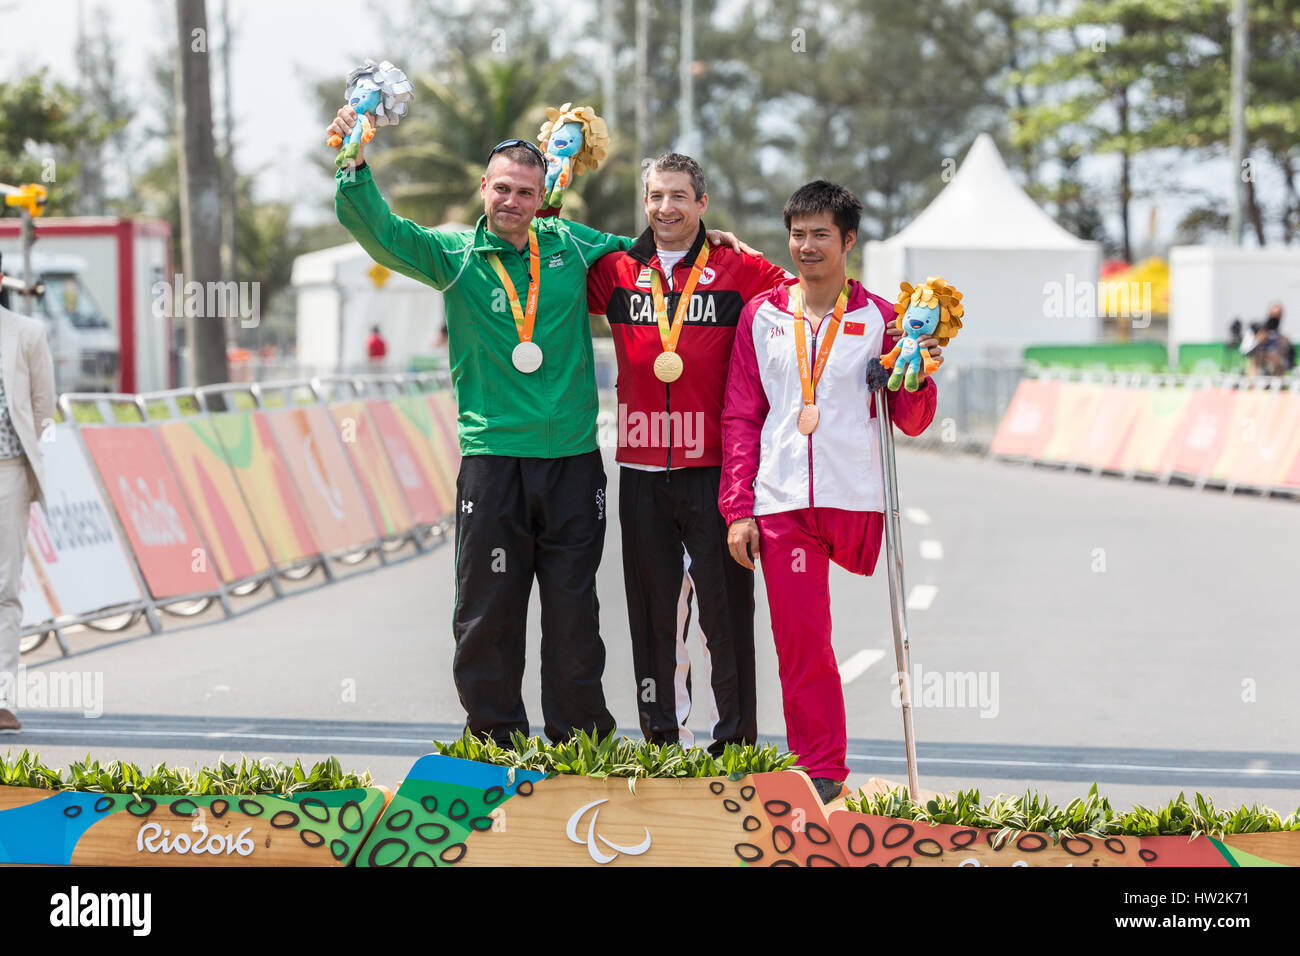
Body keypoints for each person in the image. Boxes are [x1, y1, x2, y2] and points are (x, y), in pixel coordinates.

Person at [327, 107, 750, 746]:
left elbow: (654, 257)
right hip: (495, 460)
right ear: (484, 190)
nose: (514, 201)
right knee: (488, 610)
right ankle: (495, 738)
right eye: (503, 189)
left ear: (542, 194)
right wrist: (354, 165)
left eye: (527, 191)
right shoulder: (455, 256)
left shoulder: (576, 248)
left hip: (575, 464)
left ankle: (578, 739)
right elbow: (384, 233)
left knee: (575, 611)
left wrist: (706, 237)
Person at [718, 181, 941, 804]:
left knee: (816, 636)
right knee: (803, 639)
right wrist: (739, 509)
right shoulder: (762, 317)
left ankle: (824, 760)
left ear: (847, 241)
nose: (806, 246)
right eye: (797, 234)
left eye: (821, 234)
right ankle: (820, 767)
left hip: (855, 498)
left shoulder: (884, 319)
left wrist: (912, 372)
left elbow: (914, 419)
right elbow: (741, 416)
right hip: (782, 503)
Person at [587, 153, 787, 754]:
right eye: (655, 197)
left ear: (702, 204)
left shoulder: (735, 268)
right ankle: (661, 739)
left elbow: (800, 290)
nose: (665, 208)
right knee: (653, 615)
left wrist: (744, 246)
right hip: (642, 468)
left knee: (726, 616)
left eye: (679, 196)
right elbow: (556, 259)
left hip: (716, 474)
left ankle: (735, 744)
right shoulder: (617, 269)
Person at [0, 268, 56, 735]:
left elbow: (43, 406)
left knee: (3, 588)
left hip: (7, 473)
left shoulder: (26, 333)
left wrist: (20, 459)